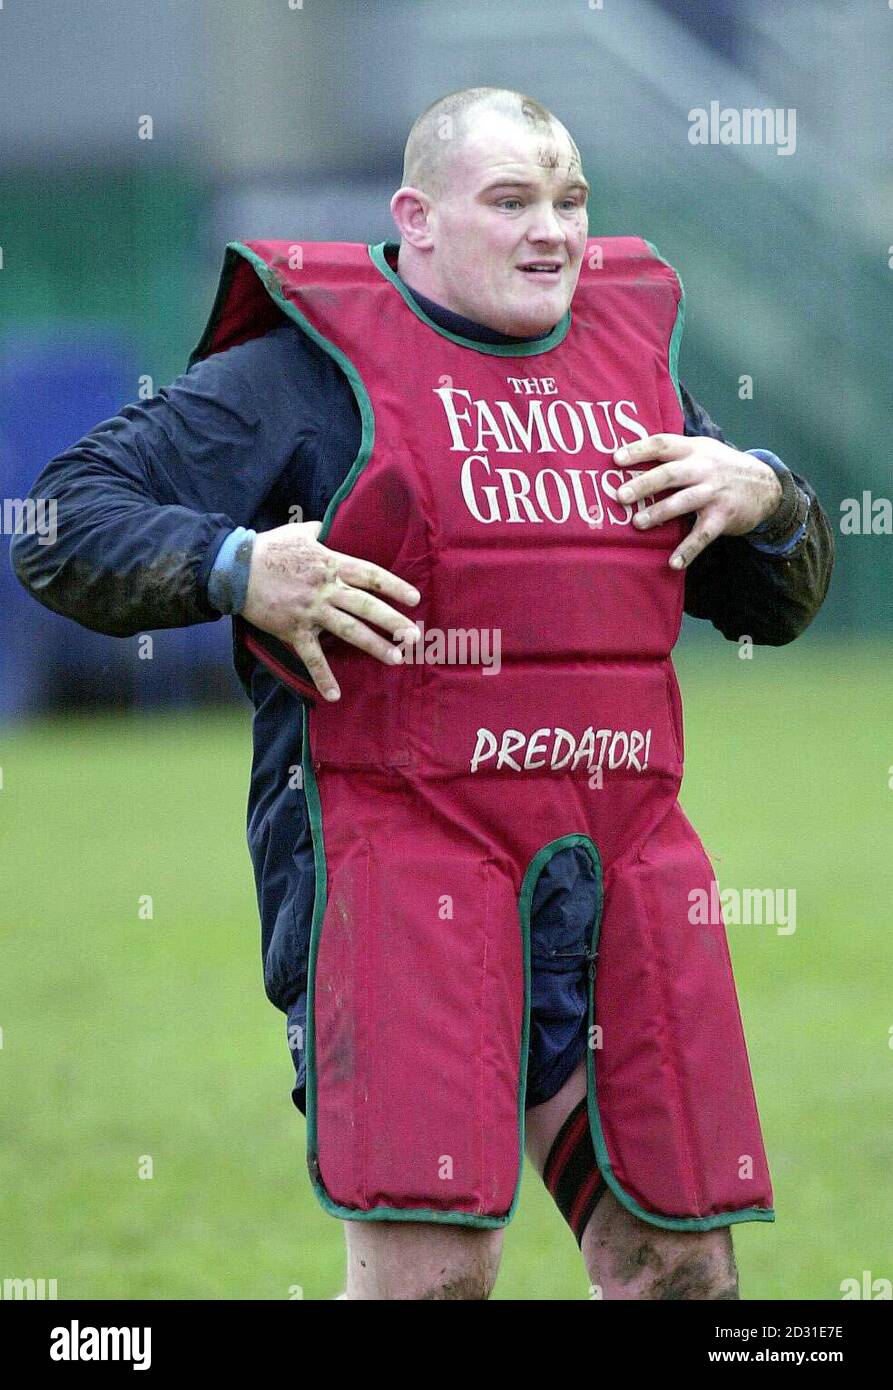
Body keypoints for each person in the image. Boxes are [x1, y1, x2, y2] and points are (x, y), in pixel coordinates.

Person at [11, 87, 833, 1300]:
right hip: (392, 871)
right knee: (433, 1277)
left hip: (609, 878)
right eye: (509, 201)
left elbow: (774, 603)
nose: (550, 230)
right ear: (418, 218)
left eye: (568, 201)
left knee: (677, 1268)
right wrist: (238, 567)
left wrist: (770, 497)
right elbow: (58, 515)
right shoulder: (302, 369)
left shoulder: (626, 363)